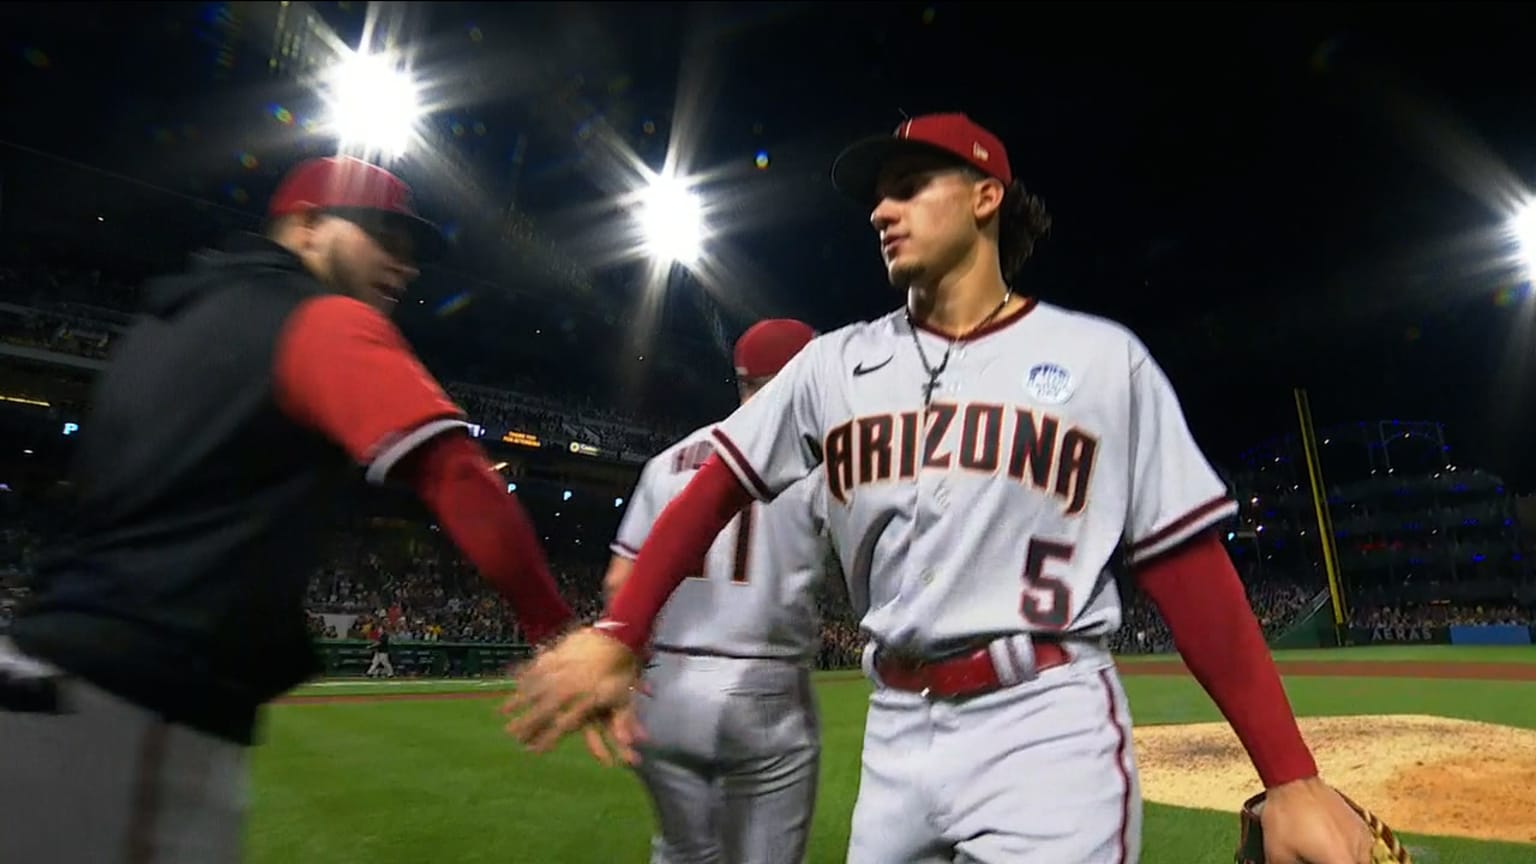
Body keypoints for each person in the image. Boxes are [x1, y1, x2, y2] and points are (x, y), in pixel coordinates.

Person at [505, 113, 1375, 864]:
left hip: (1045, 720)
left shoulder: (1102, 361)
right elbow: (715, 485)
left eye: (912, 185)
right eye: (879, 196)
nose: (882, 210)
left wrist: (1288, 774)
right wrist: (621, 630)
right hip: (897, 727)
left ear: (986, 195)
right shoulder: (832, 366)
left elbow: (1186, 567)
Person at [0, 155, 580, 863]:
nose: (407, 265)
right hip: (132, 706)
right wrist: (556, 629)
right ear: (307, 225)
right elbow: (459, 475)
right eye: (385, 238)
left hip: (53, 678)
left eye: (414, 252)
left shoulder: (164, 323)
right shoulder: (318, 318)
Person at [606, 319, 834, 864]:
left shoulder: (669, 461)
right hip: (764, 689)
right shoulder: (820, 464)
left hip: (665, 691)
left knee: (682, 852)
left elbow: (620, 580)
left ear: (742, 383)